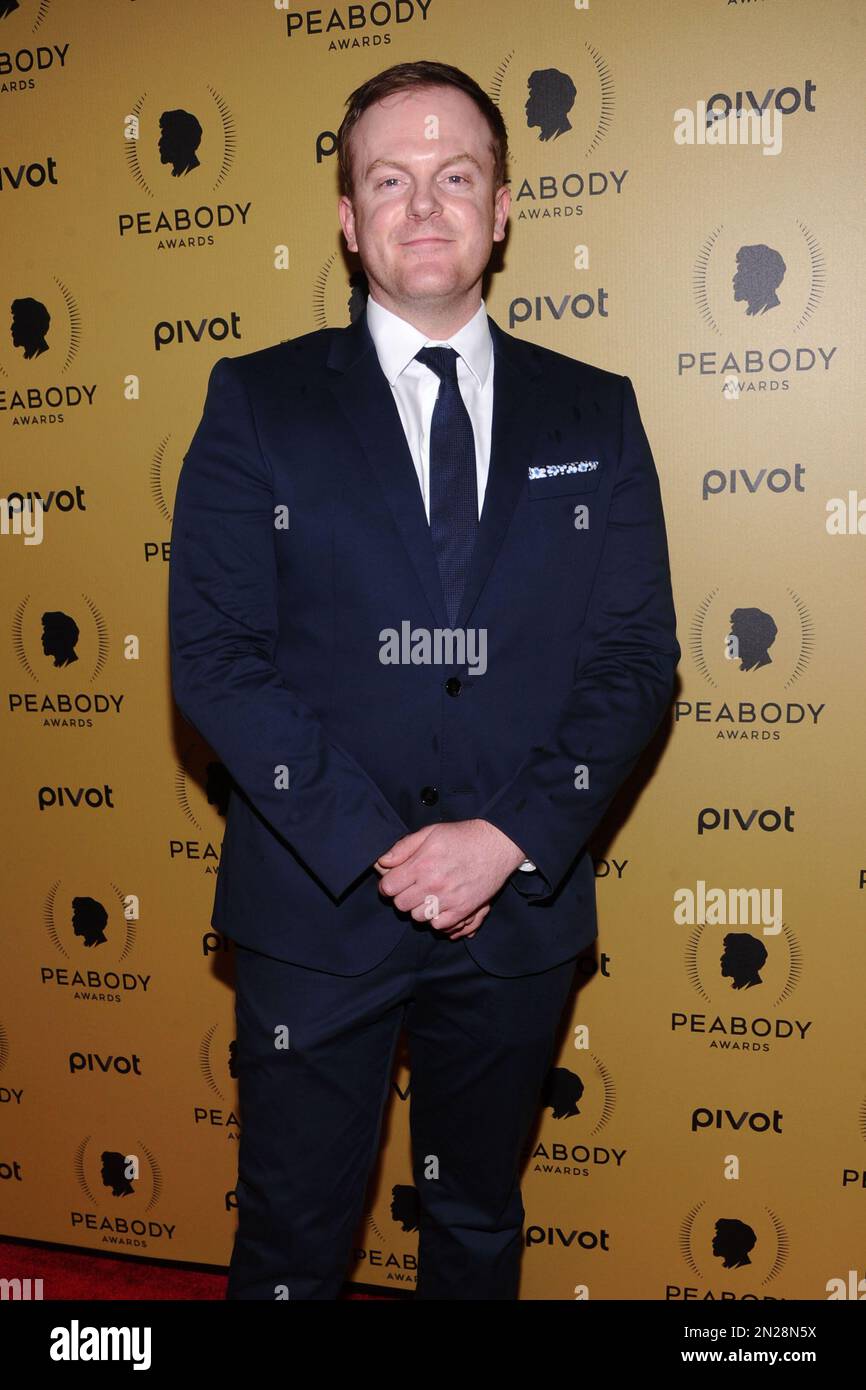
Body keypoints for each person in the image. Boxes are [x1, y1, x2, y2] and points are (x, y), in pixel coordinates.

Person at [168, 59, 681, 1300]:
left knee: (474, 1223)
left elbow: (633, 658)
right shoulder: (257, 402)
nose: (423, 205)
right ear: (347, 221)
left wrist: (501, 838)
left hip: (516, 909)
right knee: (291, 1246)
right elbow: (214, 655)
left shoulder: (593, 414)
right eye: (387, 180)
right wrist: (385, 848)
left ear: (501, 206)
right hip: (314, 905)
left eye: (455, 176)